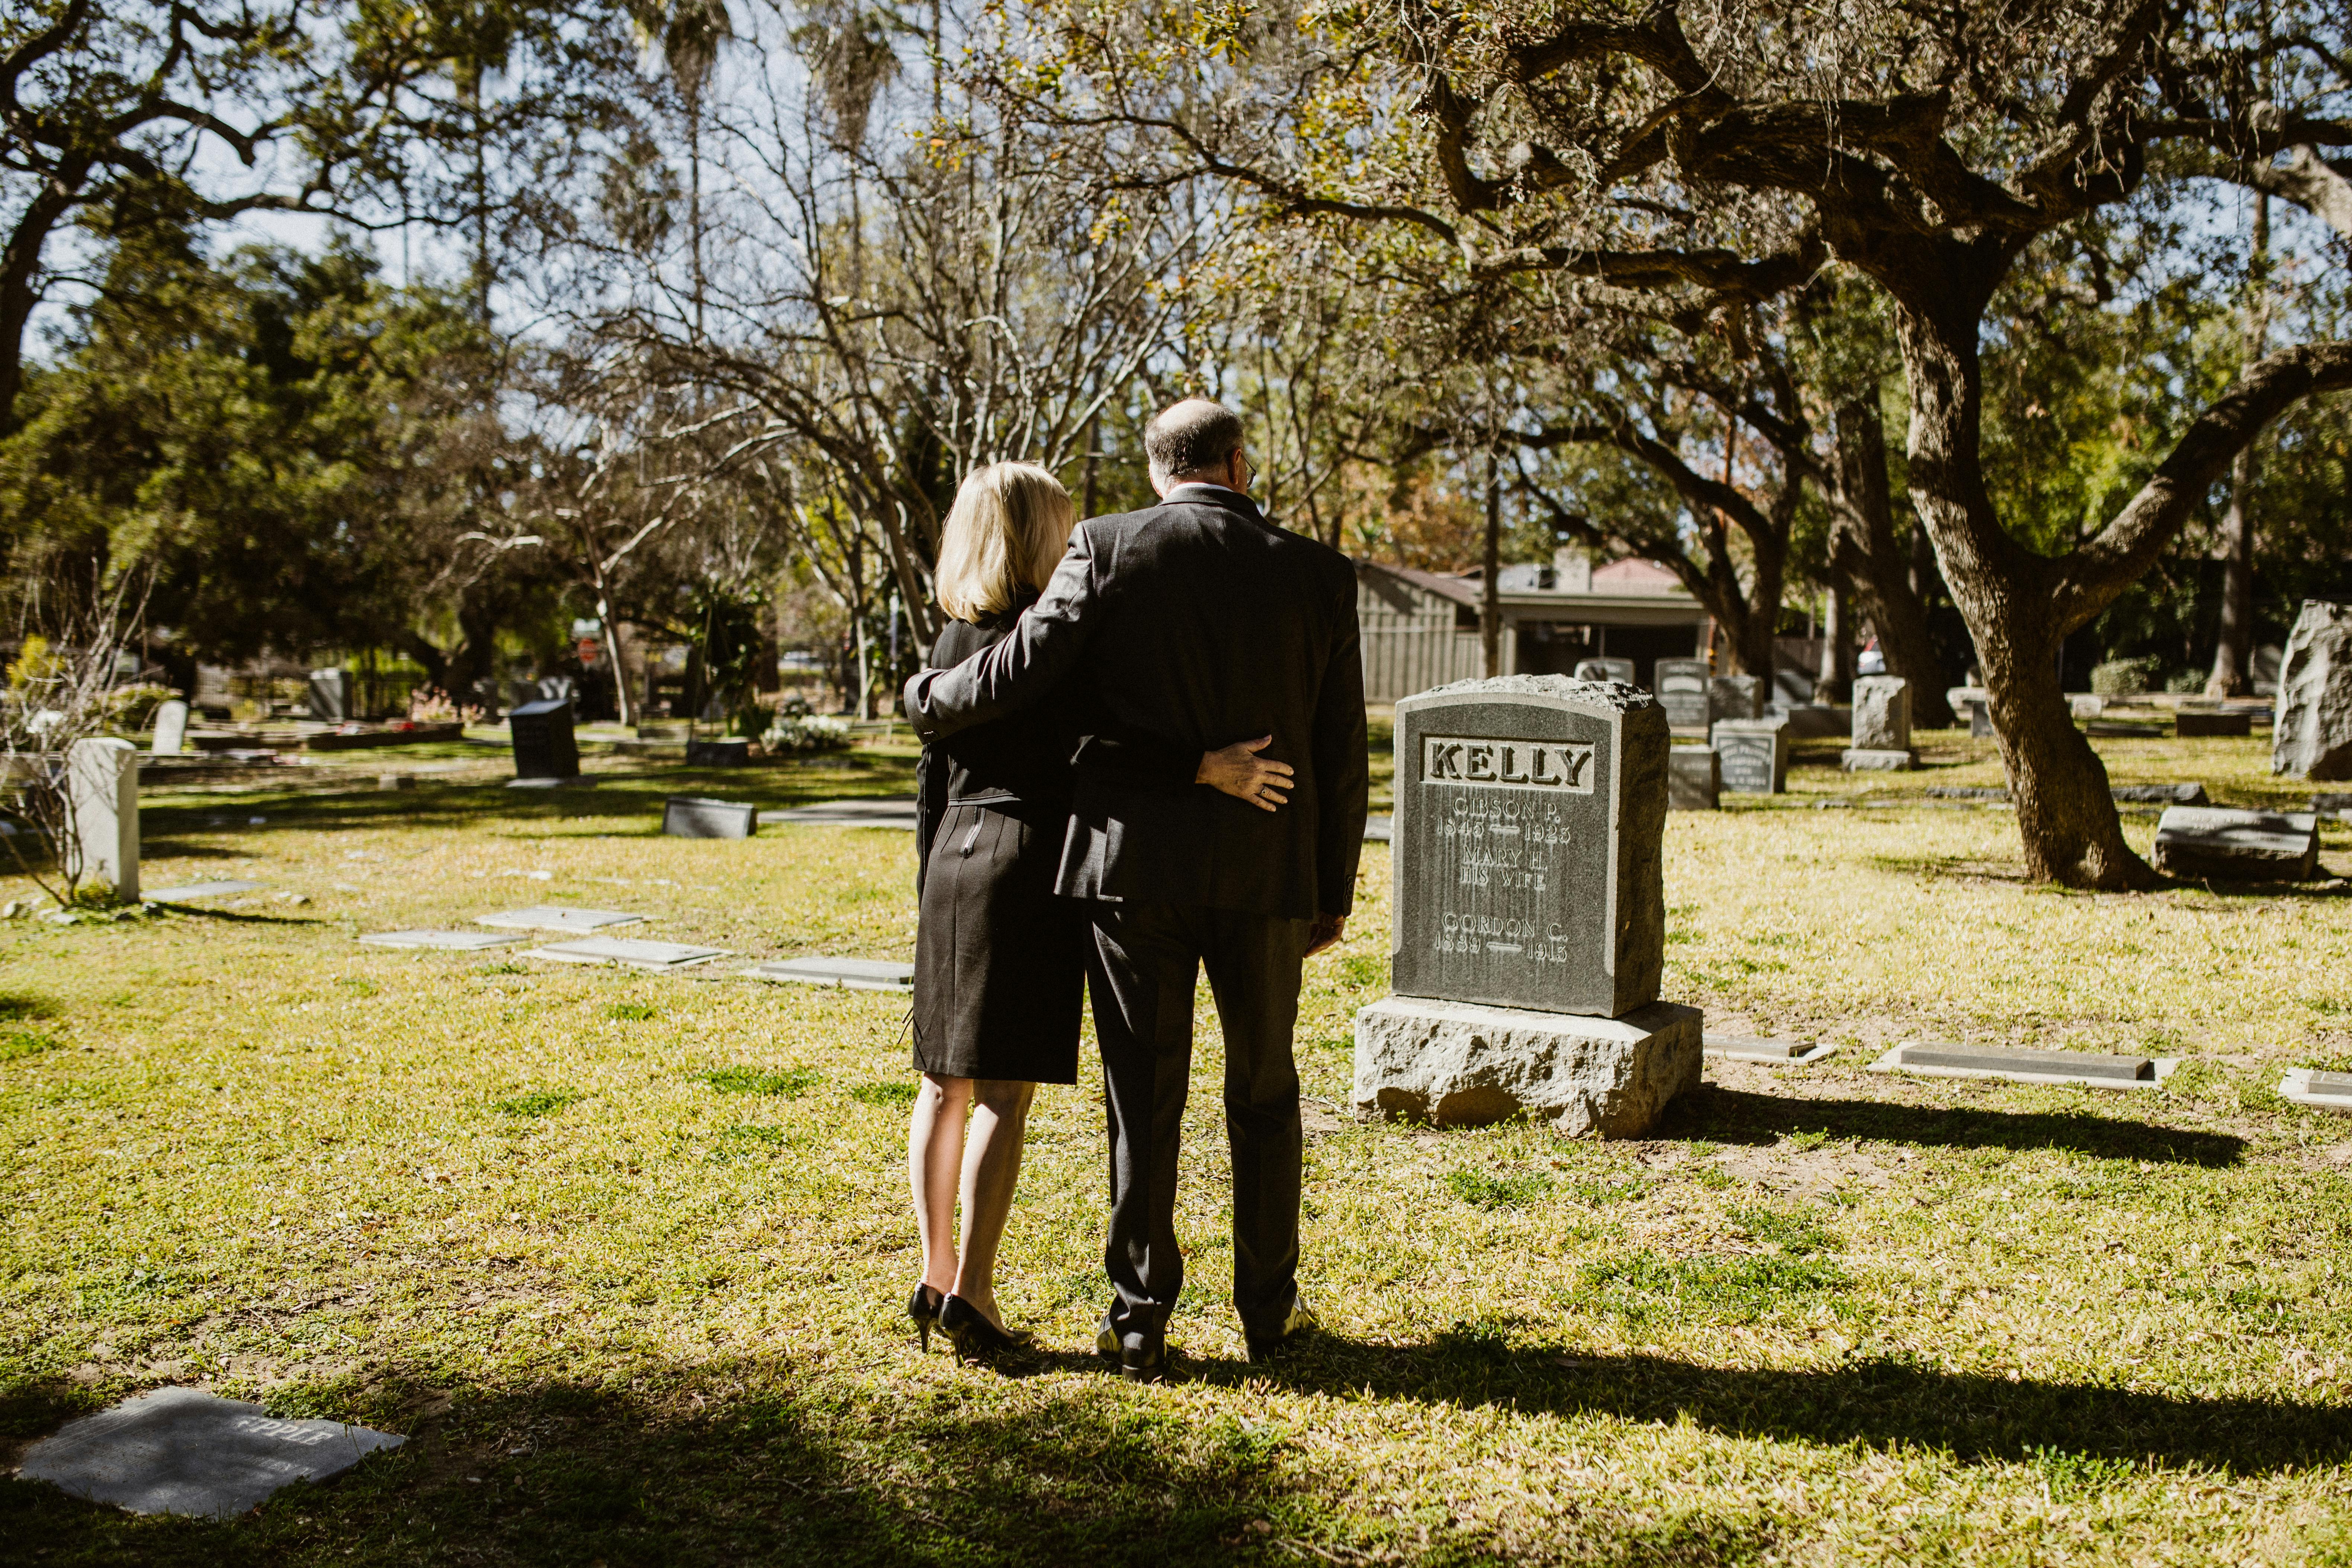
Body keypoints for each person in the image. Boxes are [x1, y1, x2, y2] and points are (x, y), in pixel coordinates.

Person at [904, 403, 1368, 1382]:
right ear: (1240, 465)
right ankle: (1268, 1314)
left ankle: (1138, 1321)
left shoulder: (1105, 549)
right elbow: (1341, 750)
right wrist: (1332, 888)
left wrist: (927, 698)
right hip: (1267, 875)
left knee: (1142, 1097)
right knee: (1265, 1092)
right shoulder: (1320, 573)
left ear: (1158, 472)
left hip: (1130, 872)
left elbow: (1028, 680)